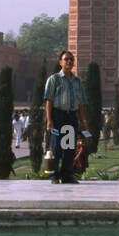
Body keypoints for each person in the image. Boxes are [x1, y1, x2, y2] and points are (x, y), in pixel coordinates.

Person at [43, 50, 90, 184]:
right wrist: (49, 120)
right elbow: (49, 101)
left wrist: (83, 121)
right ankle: (54, 176)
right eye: (66, 59)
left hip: (71, 116)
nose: (69, 61)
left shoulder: (77, 81)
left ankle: (67, 175)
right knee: (57, 146)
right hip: (58, 116)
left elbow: (80, 103)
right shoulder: (54, 79)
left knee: (69, 147)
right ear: (60, 62)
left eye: (71, 59)